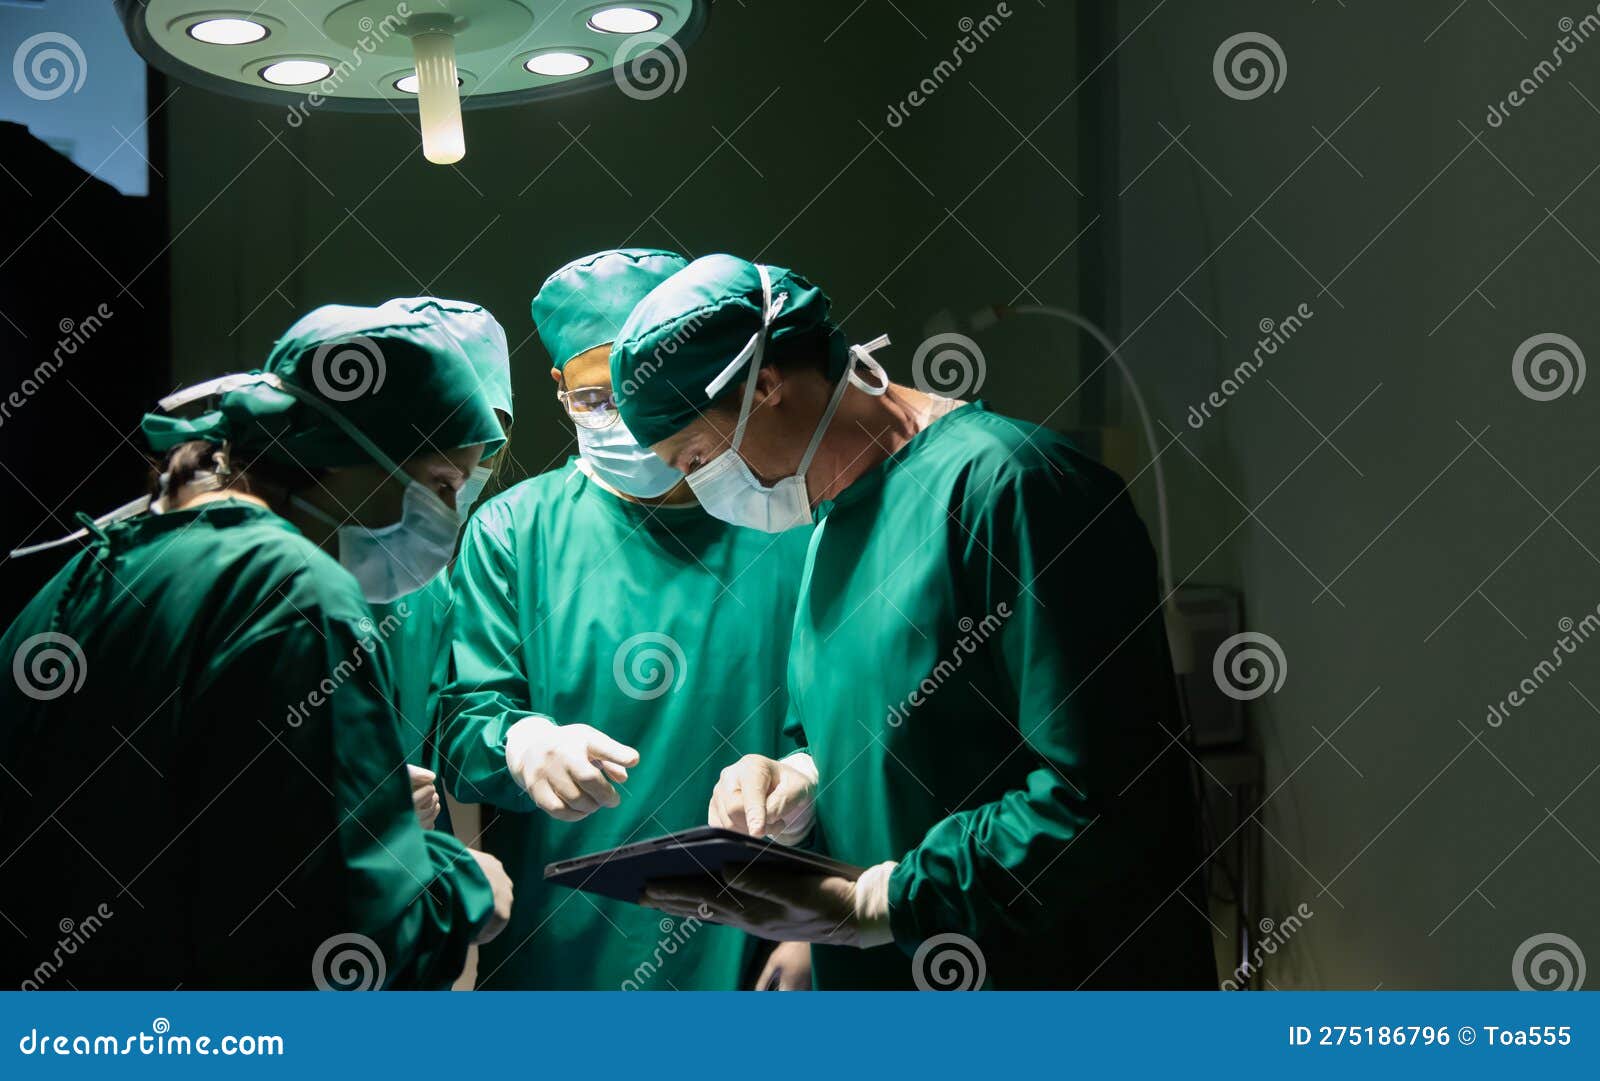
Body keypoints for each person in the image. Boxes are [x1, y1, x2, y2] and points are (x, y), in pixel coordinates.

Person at [611, 254, 1214, 990]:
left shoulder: (1012, 486)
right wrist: (797, 778)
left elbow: (1098, 794)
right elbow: (865, 732)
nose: (699, 486)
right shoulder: (830, 526)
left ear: (763, 387)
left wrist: (886, 900)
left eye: (696, 455)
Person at [0, 301, 514, 989]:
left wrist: (359, 802)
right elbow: (348, 939)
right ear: (350, 453)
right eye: (442, 484)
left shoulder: (105, 564)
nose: (450, 518)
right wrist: (461, 886)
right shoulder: (297, 594)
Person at [437, 249, 811, 990]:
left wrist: (820, 924)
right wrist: (521, 742)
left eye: (640, 392)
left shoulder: (783, 521)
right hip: (559, 945)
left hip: (755, 941)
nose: (626, 422)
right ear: (557, 389)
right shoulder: (514, 531)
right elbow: (463, 726)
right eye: (593, 399)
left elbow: (844, 733)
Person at [363, 297, 516, 838]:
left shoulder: (429, 583)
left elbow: (438, 752)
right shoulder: (281, 569)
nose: (464, 476)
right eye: (445, 454)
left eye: (484, 454)